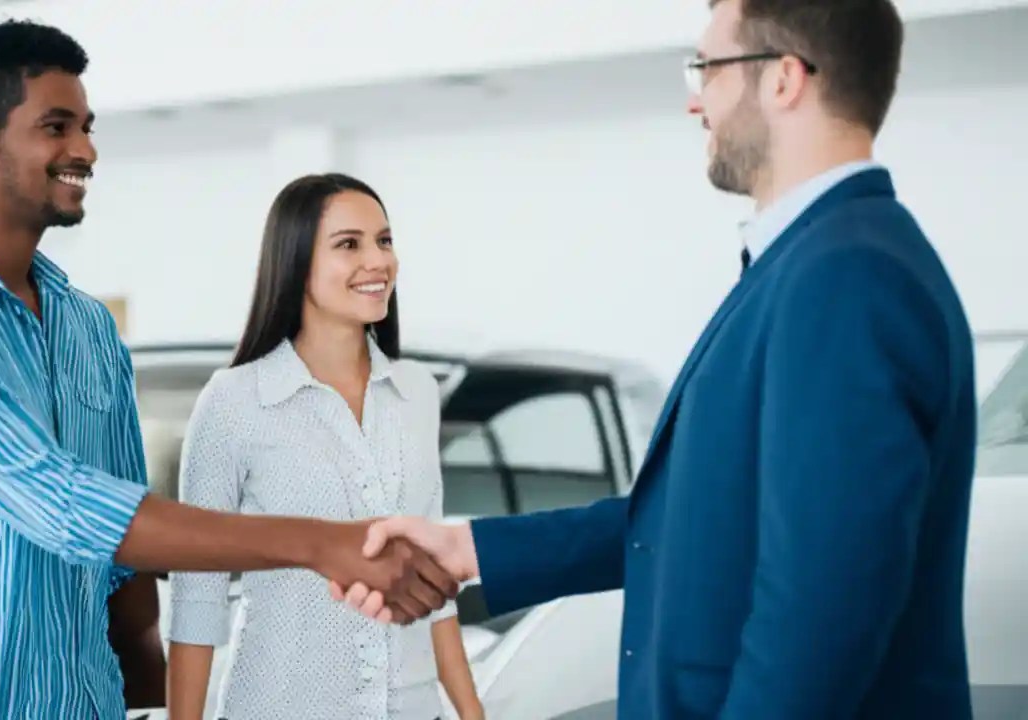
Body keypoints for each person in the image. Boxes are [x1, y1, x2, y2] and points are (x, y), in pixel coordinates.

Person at [336, 1, 978, 718]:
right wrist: (467, 549)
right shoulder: (813, 264)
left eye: (708, 66)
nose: (693, 98)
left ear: (784, 79)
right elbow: (687, 517)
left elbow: (823, 609)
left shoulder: (847, 279)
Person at [0, 19, 454, 719]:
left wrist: (159, 702)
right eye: (57, 126)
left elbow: (123, 570)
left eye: (88, 126)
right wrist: (321, 543)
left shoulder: (87, 327)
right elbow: (68, 505)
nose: (86, 150)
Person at [165, 174, 484, 720]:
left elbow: (434, 585)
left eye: (384, 240)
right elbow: (198, 595)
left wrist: (471, 712)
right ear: (296, 262)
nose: (377, 261)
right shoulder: (236, 400)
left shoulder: (417, 393)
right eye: (349, 244)